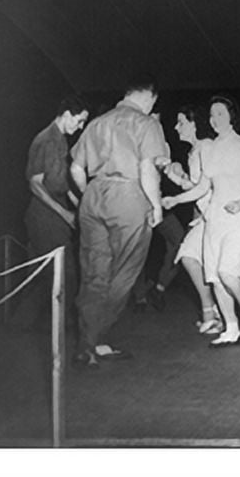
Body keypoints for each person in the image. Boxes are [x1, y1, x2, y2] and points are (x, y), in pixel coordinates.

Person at [69, 76, 166, 368]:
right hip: (129, 195)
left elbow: (75, 168)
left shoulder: (97, 122)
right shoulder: (146, 123)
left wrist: (92, 193)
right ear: (149, 96)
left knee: (94, 274)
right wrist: (156, 205)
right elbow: (147, 167)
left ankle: (88, 344)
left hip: (94, 195)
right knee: (124, 273)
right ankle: (96, 338)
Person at [162, 95, 240, 347]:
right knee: (215, 278)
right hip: (215, 218)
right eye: (211, 115)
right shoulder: (210, 148)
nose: (215, 119)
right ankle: (230, 328)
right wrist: (176, 200)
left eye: (220, 113)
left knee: (227, 272)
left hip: (238, 217)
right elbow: (203, 187)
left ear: (232, 115)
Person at [18, 96, 89, 329]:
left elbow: (62, 182)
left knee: (47, 275)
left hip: (54, 210)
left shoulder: (61, 140)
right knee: (60, 274)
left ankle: (20, 327)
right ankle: (50, 330)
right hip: (43, 215)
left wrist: (79, 205)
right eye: (79, 121)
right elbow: (35, 184)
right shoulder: (46, 140)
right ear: (67, 114)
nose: (80, 127)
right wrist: (64, 213)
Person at [164, 104, 220, 334]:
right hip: (204, 216)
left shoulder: (206, 147)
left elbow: (207, 188)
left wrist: (178, 187)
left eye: (181, 122)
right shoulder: (194, 150)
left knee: (215, 267)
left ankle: (224, 318)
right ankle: (211, 312)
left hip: (217, 216)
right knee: (188, 256)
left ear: (195, 124)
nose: (176, 127)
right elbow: (198, 186)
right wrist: (181, 176)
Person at [132, 113, 185, 314]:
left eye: (157, 121)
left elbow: (166, 168)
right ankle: (139, 296)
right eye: (149, 120)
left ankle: (159, 287)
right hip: (136, 205)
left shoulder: (163, 145)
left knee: (180, 242)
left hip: (158, 203)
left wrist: (174, 167)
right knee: (136, 250)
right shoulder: (131, 142)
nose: (154, 125)